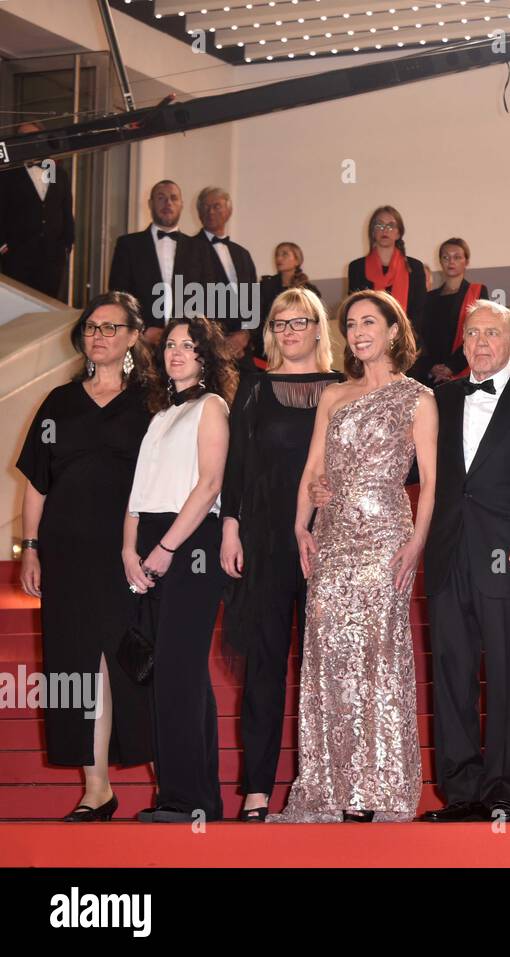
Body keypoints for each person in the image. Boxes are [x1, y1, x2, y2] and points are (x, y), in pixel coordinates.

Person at [275, 289, 436, 822]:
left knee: (375, 655)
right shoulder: (334, 396)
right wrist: (302, 523)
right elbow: (313, 469)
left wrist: (416, 543)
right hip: (333, 535)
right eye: (351, 323)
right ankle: (330, 785)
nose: (359, 331)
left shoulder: (419, 398)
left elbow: (432, 484)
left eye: (371, 321)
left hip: (386, 534)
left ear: (394, 330)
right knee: (327, 654)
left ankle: (374, 787)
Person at [418, 301, 510, 823]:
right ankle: (460, 794)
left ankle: (501, 792)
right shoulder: (440, 398)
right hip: (448, 554)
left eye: (492, 333)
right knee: (452, 677)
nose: (481, 342)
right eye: (473, 333)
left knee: (506, 677)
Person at [17, 292, 158, 821]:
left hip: (129, 553)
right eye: (91, 328)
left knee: (136, 660)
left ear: (132, 336)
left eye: (109, 328)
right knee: (76, 665)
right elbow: (38, 481)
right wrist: (29, 547)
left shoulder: (153, 403)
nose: (97, 336)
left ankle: (170, 782)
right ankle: (95, 789)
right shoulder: (58, 403)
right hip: (66, 551)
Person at [220, 288, 342, 821]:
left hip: (335, 544)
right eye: (280, 323)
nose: (290, 331)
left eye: (300, 321)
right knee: (266, 667)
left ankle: (328, 788)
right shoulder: (252, 387)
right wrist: (230, 528)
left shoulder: (347, 388)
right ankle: (257, 791)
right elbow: (236, 466)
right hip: (266, 543)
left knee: (329, 671)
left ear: (319, 327)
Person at [125, 315, 236, 823]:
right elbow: (138, 494)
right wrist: (130, 549)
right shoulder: (158, 415)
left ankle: (185, 799)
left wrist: (167, 546)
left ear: (205, 356)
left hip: (189, 541)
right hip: (149, 540)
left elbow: (211, 484)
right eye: (170, 345)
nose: (176, 353)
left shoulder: (211, 406)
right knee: (170, 672)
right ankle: (194, 798)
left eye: (188, 346)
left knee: (178, 668)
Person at [108, 180, 218, 344]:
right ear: (150, 204)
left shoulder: (200, 248)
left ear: (181, 205)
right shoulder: (128, 245)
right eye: (161, 198)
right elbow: (118, 297)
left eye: (174, 198)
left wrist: (192, 334)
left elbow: (209, 296)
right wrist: (142, 330)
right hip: (140, 344)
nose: (168, 203)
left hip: (187, 344)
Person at [0, 121, 74, 299]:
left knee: (48, 306)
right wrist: (2, 244)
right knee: (18, 308)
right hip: (17, 256)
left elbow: (64, 208)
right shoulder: (6, 173)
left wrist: (67, 243)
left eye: (34, 137)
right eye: (23, 137)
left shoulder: (57, 172)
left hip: (52, 256)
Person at [193, 186, 259, 358]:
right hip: (206, 347)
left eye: (216, 206)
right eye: (205, 207)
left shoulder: (243, 254)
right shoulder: (188, 250)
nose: (210, 211)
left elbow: (253, 299)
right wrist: (216, 339)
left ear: (229, 211)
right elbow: (188, 300)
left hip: (242, 349)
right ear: (199, 213)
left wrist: (245, 335)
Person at [411, 237, 486, 386]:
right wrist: (431, 367)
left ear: (466, 261)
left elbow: (479, 335)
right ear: (440, 261)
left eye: (457, 257)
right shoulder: (429, 298)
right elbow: (420, 337)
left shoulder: (477, 292)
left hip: (465, 374)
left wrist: (451, 367)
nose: (451, 262)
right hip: (431, 377)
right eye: (446, 257)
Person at [346, 206, 428, 322]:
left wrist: (402, 337)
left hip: (408, 336)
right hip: (369, 336)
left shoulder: (414, 267)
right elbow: (354, 311)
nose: (385, 230)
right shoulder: (357, 268)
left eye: (391, 225)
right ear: (373, 231)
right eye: (379, 225)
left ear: (399, 233)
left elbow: (419, 312)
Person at [254, 242, 322, 364]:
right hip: (268, 350)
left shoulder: (309, 291)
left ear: (297, 260)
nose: (279, 258)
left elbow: (316, 323)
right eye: (277, 255)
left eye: (284, 254)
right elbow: (257, 319)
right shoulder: (265, 286)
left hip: (300, 349)